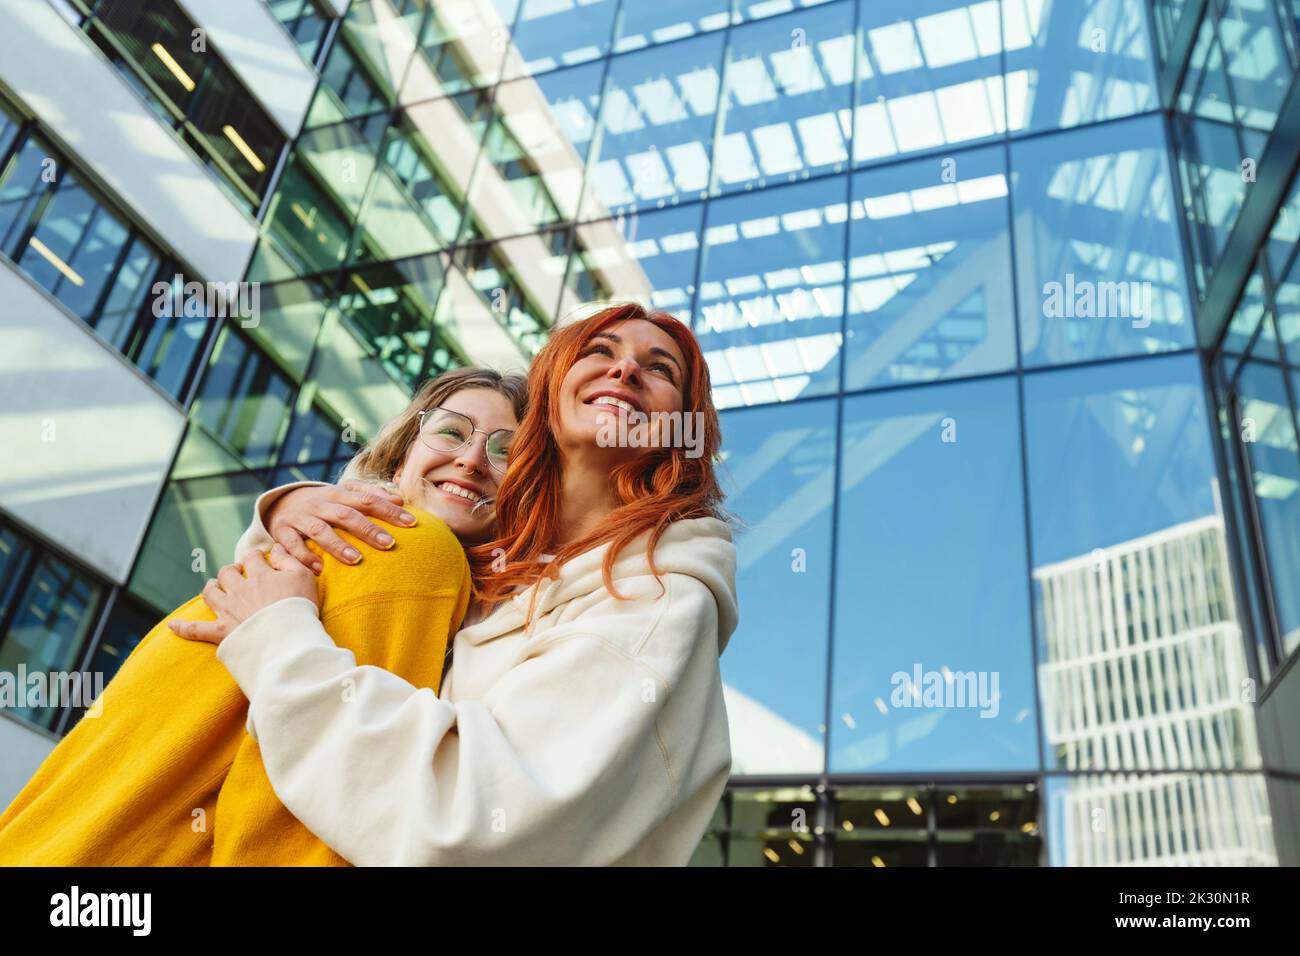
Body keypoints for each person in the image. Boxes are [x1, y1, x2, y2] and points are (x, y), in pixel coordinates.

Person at [176, 303, 738, 866]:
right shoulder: (494, 569)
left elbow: (469, 823)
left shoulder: (659, 603)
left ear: (683, 429)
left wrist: (277, 643)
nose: (625, 371)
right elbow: (343, 567)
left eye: (660, 367)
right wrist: (290, 510)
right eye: (600, 350)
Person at [0, 368, 525, 866]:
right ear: (400, 456)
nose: (472, 460)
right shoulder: (409, 549)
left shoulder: (309, 552)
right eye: (452, 433)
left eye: (505, 450)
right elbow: (327, 787)